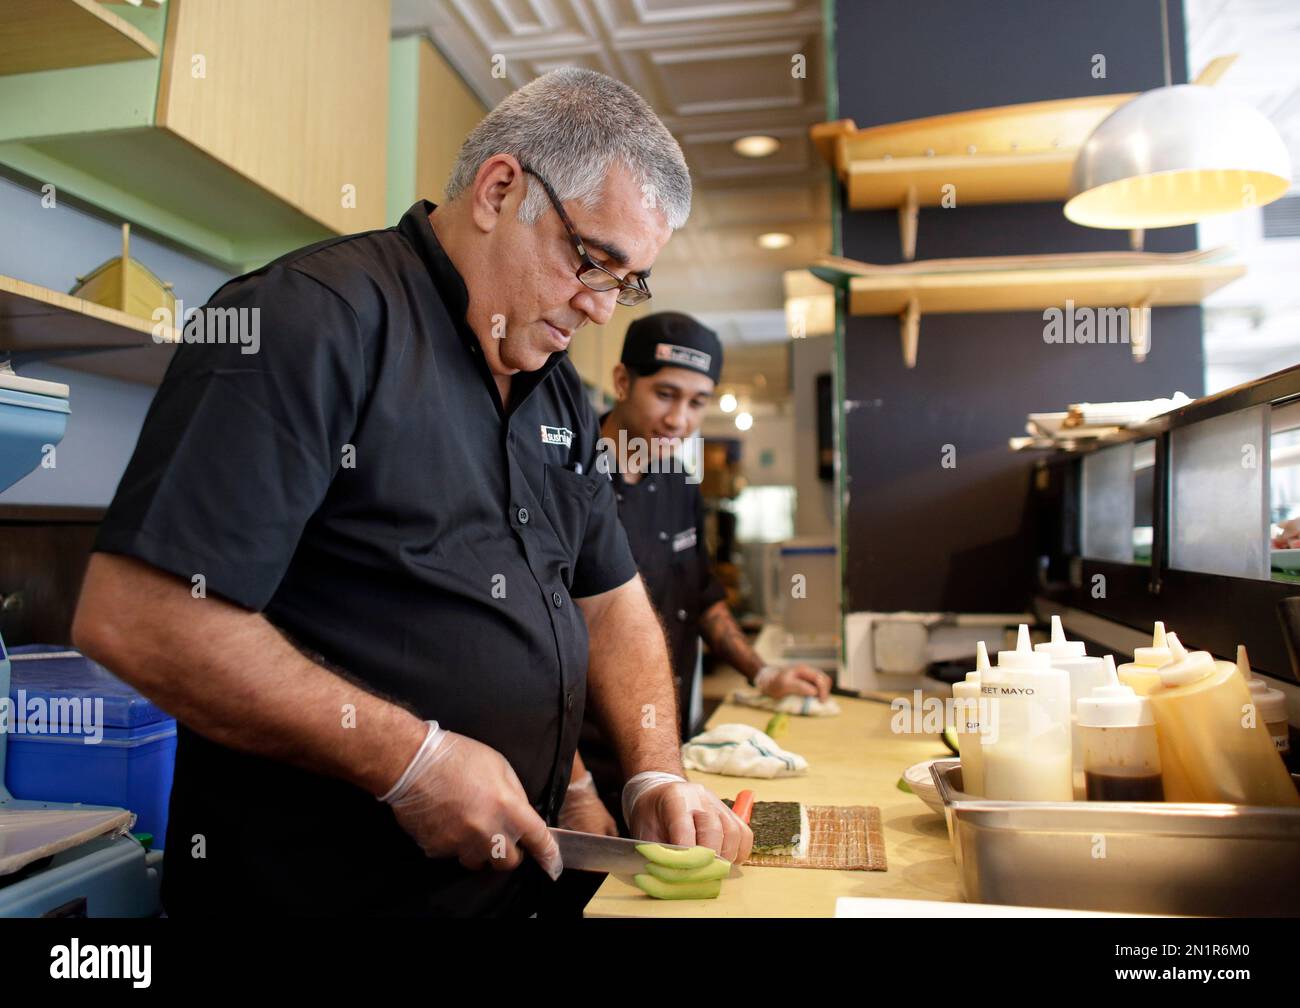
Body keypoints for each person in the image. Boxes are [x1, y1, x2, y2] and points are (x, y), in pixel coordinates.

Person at [71, 68, 750, 917]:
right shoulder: (306, 320)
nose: (601, 308)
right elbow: (140, 614)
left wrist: (654, 768)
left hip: (513, 891)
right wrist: (411, 761)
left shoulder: (561, 393)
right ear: (502, 190)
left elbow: (607, 604)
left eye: (627, 282)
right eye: (592, 262)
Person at [559, 311, 834, 840]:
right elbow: (537, 648)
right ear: (622, 382)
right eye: (665, 394)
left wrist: (762, 673)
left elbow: (702, 597)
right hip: (579, 760)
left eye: (697, 402)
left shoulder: (679, 482)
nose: (679, 419)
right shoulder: (570, 477)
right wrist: (577, 790)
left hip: (662, 748)